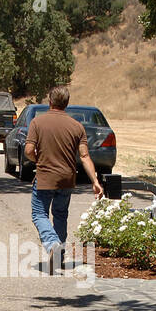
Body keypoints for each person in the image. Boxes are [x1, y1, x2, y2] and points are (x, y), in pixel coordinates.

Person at [24, 85, 103, 271]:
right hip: (67, 179)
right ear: (66, 103)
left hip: (45, 177)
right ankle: (58, 256)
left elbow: (28, 150)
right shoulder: (77, 126)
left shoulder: (37, 122)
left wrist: (38, 159)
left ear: (50, 101)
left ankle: (52, 245)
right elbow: (84, 156)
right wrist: (95, 181)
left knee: (39, 213)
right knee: (60, 214)